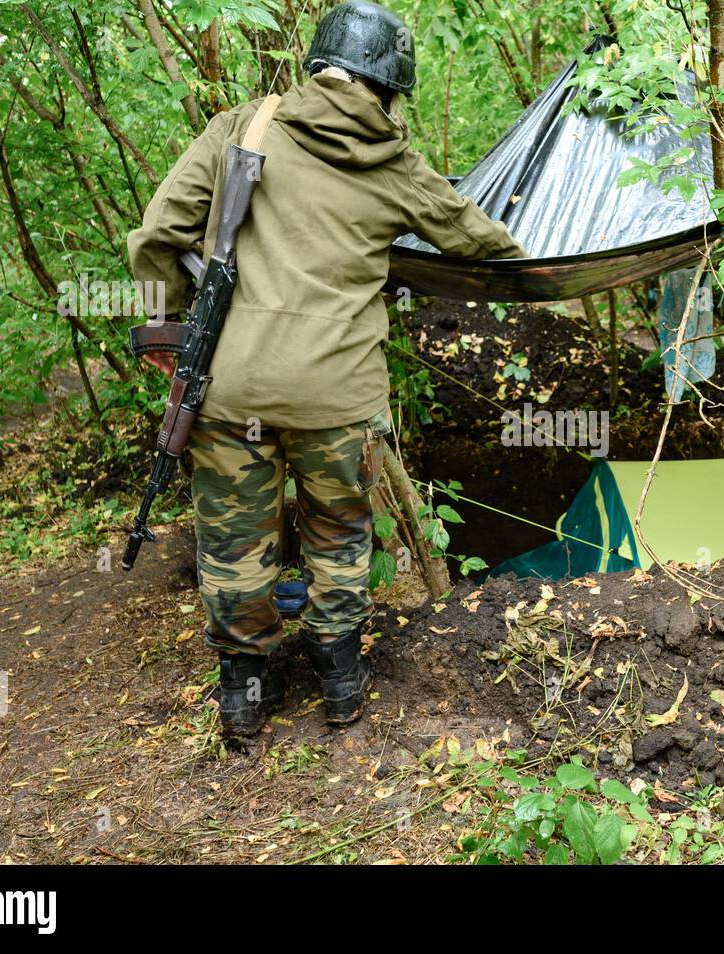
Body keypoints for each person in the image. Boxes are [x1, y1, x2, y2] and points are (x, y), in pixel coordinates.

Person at [127, 1, 525, 737]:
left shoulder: (242, 128)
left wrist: (171, 321)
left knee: (235, 543)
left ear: (318, 64)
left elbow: (157, 237)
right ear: (391, 86)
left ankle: (244, 694)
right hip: (337, 397)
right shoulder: (397, 166)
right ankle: (340, 678)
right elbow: (480, 239)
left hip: (231, 386)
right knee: (338, 536)